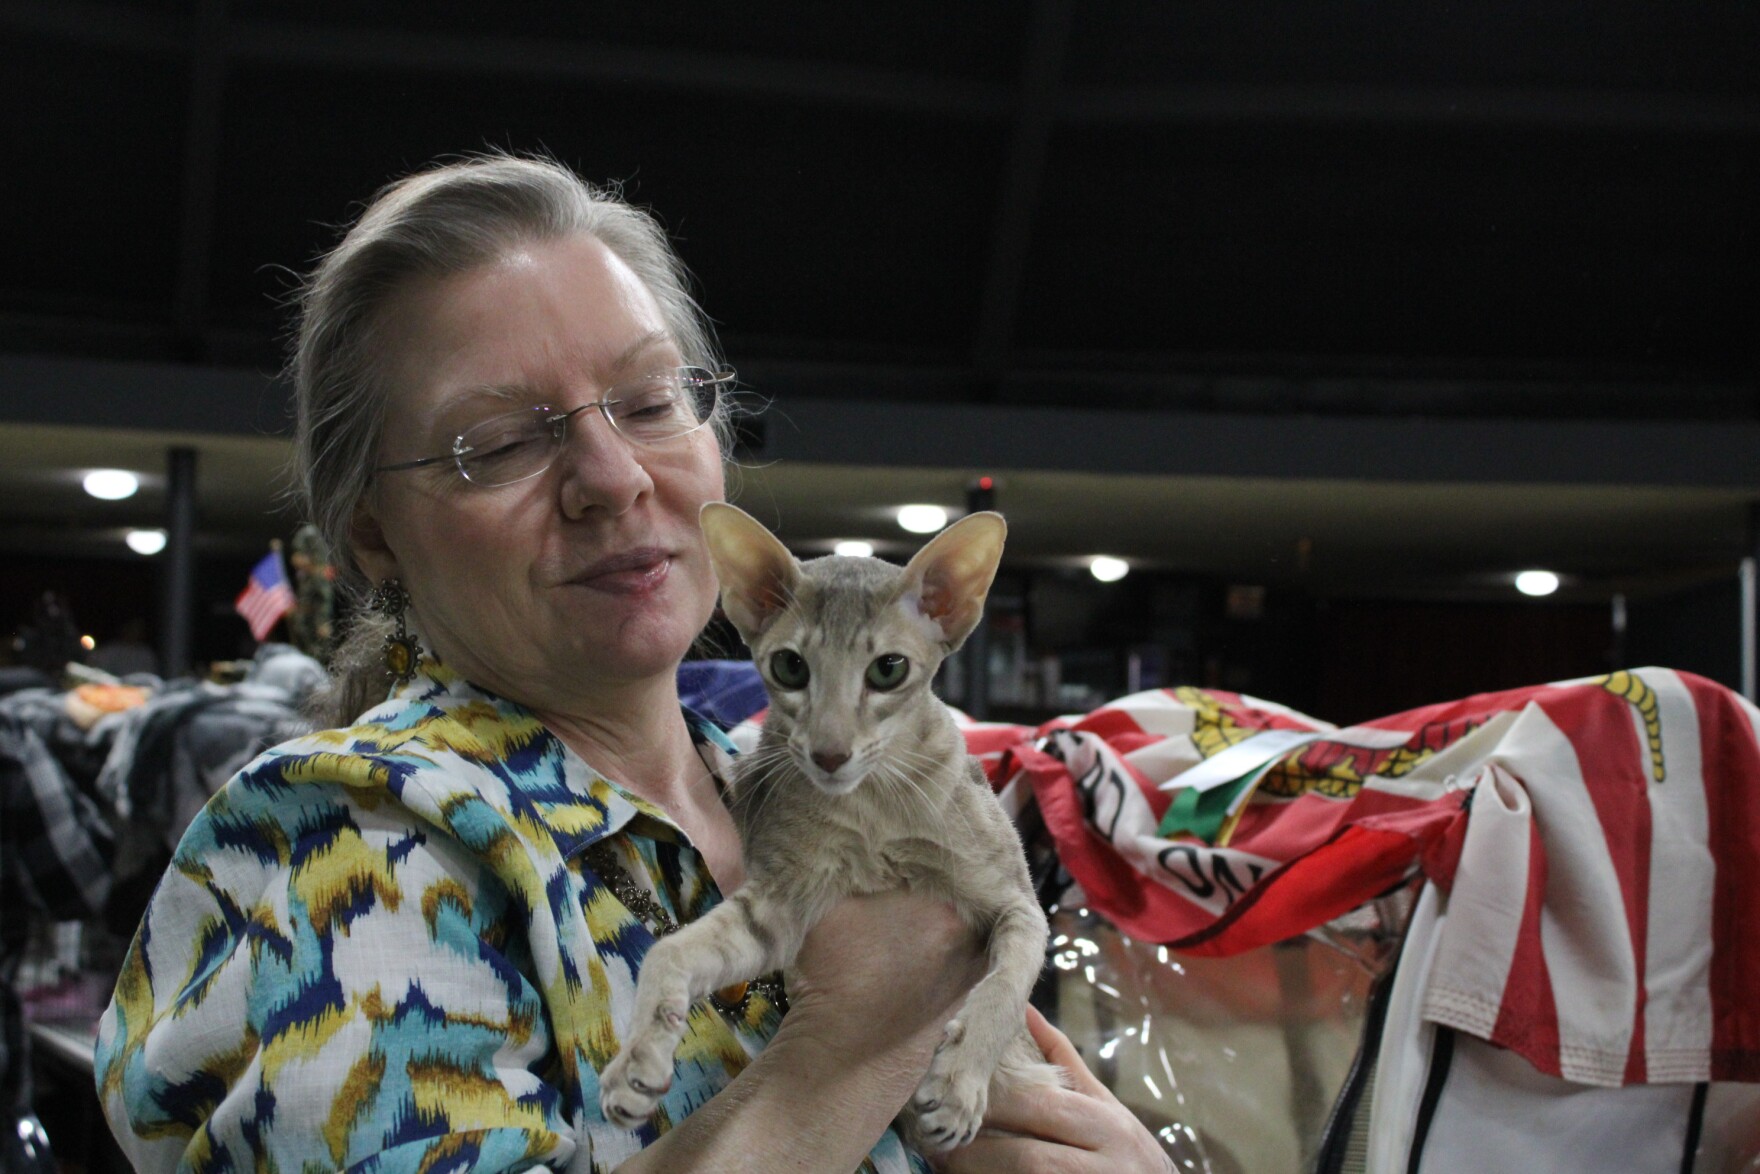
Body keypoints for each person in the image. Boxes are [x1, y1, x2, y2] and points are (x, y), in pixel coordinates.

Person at [93, 154, 1169, 1173]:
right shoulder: (351, 843)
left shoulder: (767, 781)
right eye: (500, 444)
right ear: (374, 536)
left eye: (650, 402)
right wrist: (855, 1041)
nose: (611, 476)